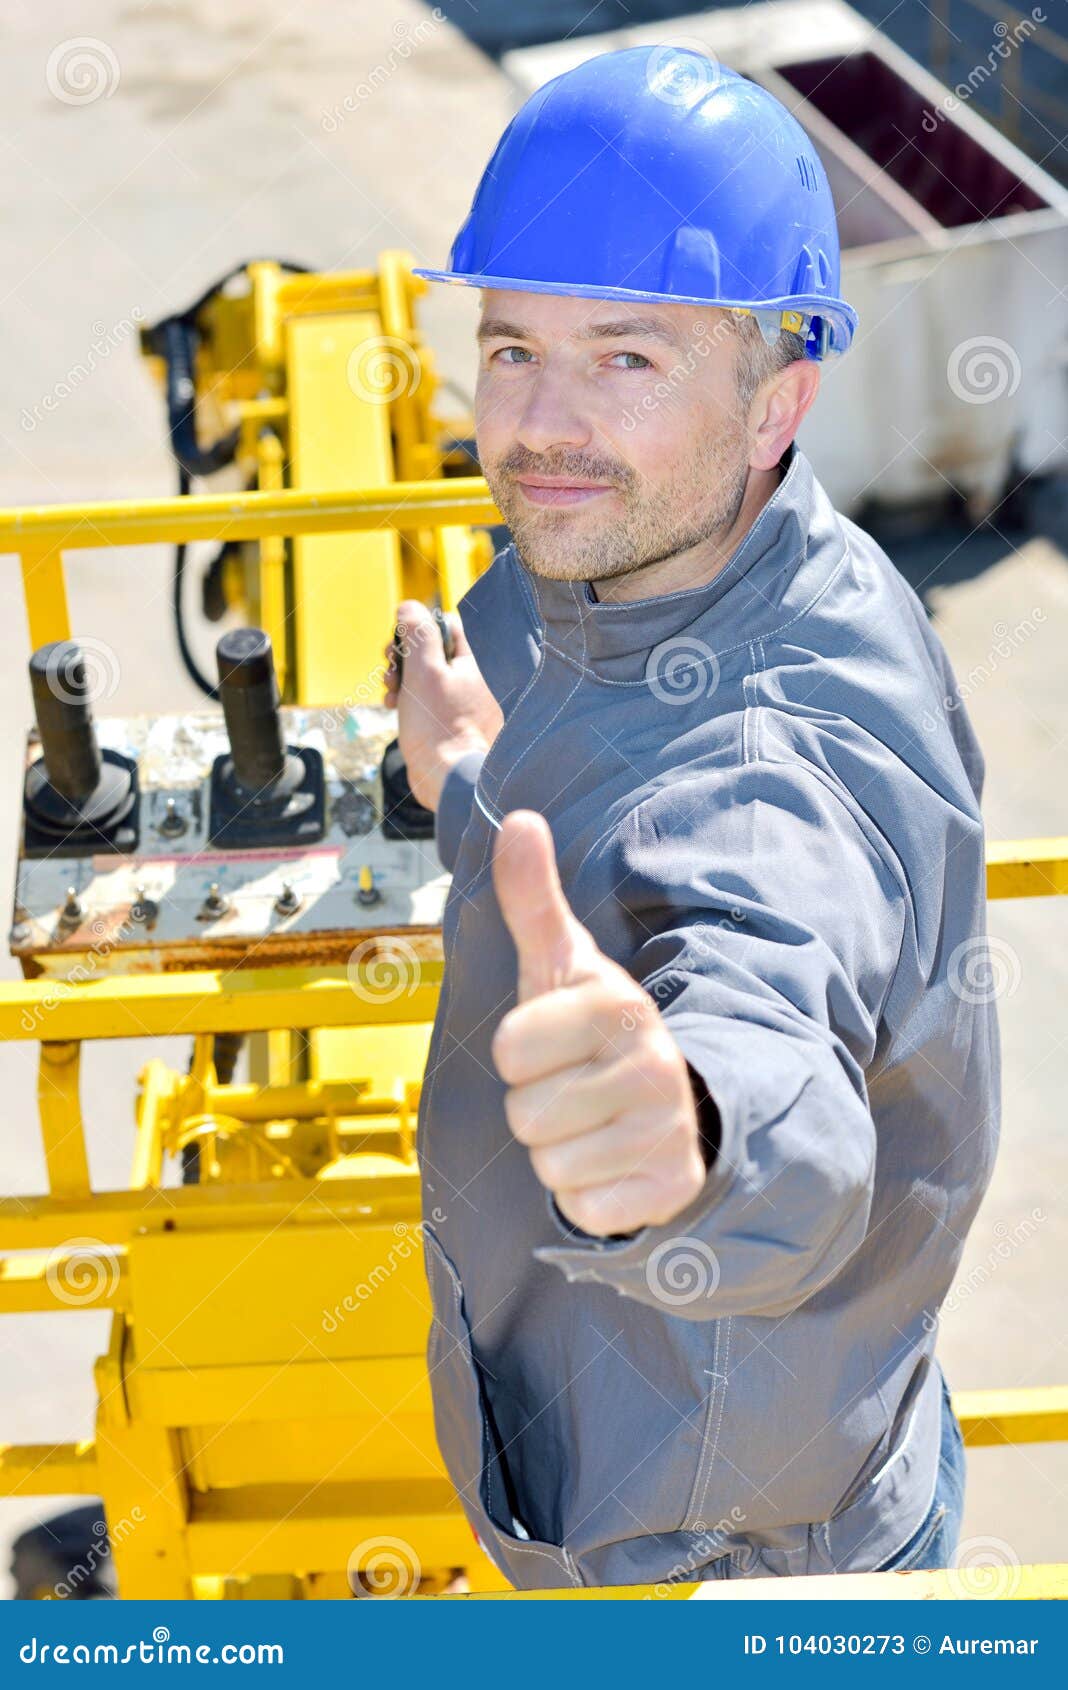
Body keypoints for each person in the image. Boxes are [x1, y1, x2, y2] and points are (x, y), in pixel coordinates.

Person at [385, 46, 997, 1588]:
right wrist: (476, 788)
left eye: (628, 360)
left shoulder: (784, 746)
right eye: (512, 346)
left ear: (779, 398)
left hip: (715, 1576)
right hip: (717, 1456)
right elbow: (597, 851)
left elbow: (767, 1007)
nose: (541, 425)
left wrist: (697, 1140)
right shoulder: (671, 567)